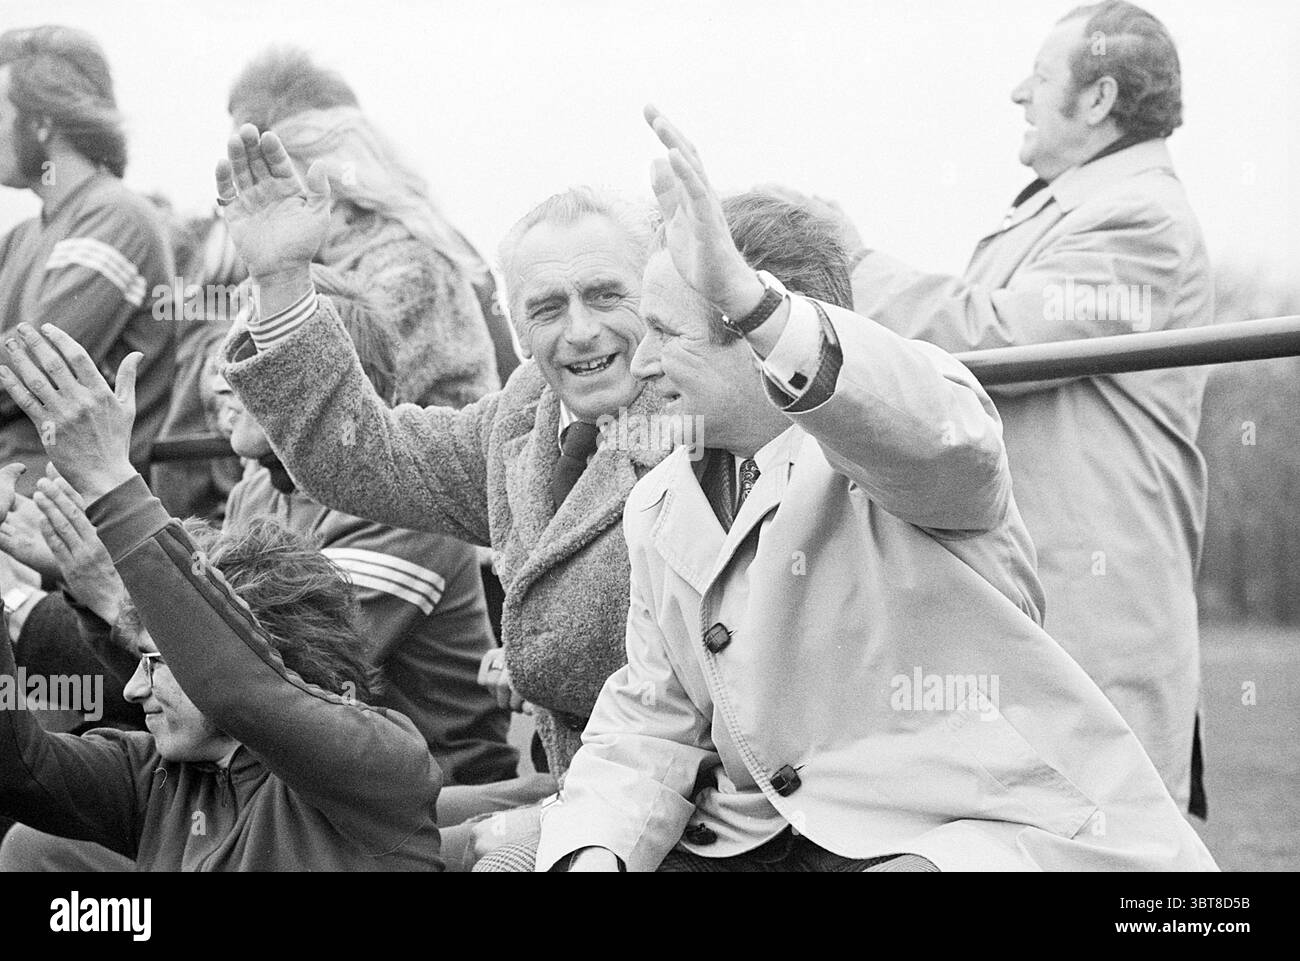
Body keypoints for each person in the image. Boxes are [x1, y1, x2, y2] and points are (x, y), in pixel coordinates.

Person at [505, 106, 1217, 872]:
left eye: (668, 335)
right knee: (510, 860)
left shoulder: (905, 446)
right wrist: (594, 851)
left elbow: (933, 418)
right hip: (758, 842)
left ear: (759, 336)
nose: (638, 364)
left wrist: (754, 302)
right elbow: (647, 722)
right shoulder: (662, 499)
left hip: (967, 833)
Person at [214, 123, 674, 786]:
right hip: (580, 789)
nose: (580, 329)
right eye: (547, 307)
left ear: (656, 296)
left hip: (709, 811)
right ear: (515, 330)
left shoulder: (706, 418)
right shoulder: (520, 419)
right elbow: (360, 455)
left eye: (605, 294)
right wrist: (281, 276)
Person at [850, 0, 1211, 813]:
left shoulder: (1139, 214)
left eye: (1041, 77)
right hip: (1047, 605)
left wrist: (849, 264)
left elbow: (997, 336)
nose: (1019, 93)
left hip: (1094, 613)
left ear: (1098, 99)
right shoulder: (1074, 205)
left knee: (1113, 853)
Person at [0, 325, 443, 870]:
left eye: (155, 660)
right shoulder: (163, 773)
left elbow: (241, 686)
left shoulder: (379, 762)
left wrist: (110, 479)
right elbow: (15, 765)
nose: (133, 689)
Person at [215, 263, 519, 787]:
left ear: (320, 382)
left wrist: (107, 588)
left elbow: (281, 670)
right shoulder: (254, 492)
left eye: (251, 354)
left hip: (438, 792)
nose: (226, 373)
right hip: (315, 785)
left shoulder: (403, 509)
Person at [227, 46, 514, 409]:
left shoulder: (411, 269)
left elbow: (322, 394)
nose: (281, 218)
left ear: (339, 195)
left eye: (292, 199)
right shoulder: (368, 258)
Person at [0, 26, 175, 496]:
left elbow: (27, 369)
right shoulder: (22, 236)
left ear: (42, 124)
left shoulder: (117, 216)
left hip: (64, 506)